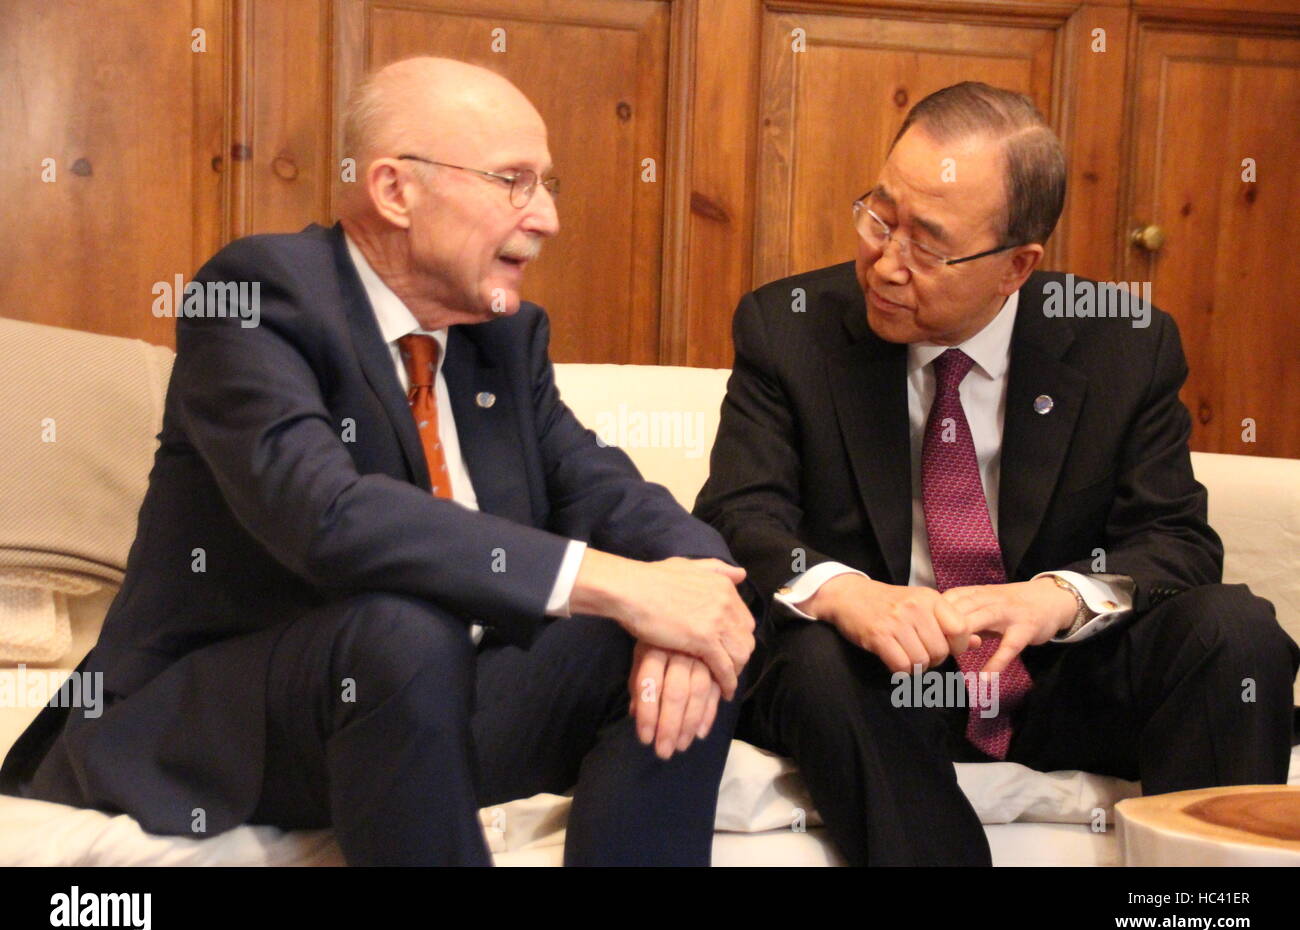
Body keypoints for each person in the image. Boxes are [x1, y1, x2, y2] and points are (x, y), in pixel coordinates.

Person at [0, 56, 756, 866]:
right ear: (396, 189)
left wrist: (698, 581)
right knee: (402, 630)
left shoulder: (503, 339)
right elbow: (324, 513)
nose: (546, 219)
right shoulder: (259, 296)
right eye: (514, 181)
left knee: (691, 640)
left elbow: (601, 484)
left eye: (546, 186)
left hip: (421, 706)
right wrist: (622, 584)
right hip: (232, 715)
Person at [694, 81, 1298, 866]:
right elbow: (739, 517)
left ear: (1018, 265)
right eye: (880, 215)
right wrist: (847, 593)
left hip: (1054, 681)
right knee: (813, 657)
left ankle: (1197, 916)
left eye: (929, 244)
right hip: (880, 686)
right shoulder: (789, 328)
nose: (885, 261)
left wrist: (1059, 598)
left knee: (1236, 632)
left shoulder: (1126, 342)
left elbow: (1176, 542)